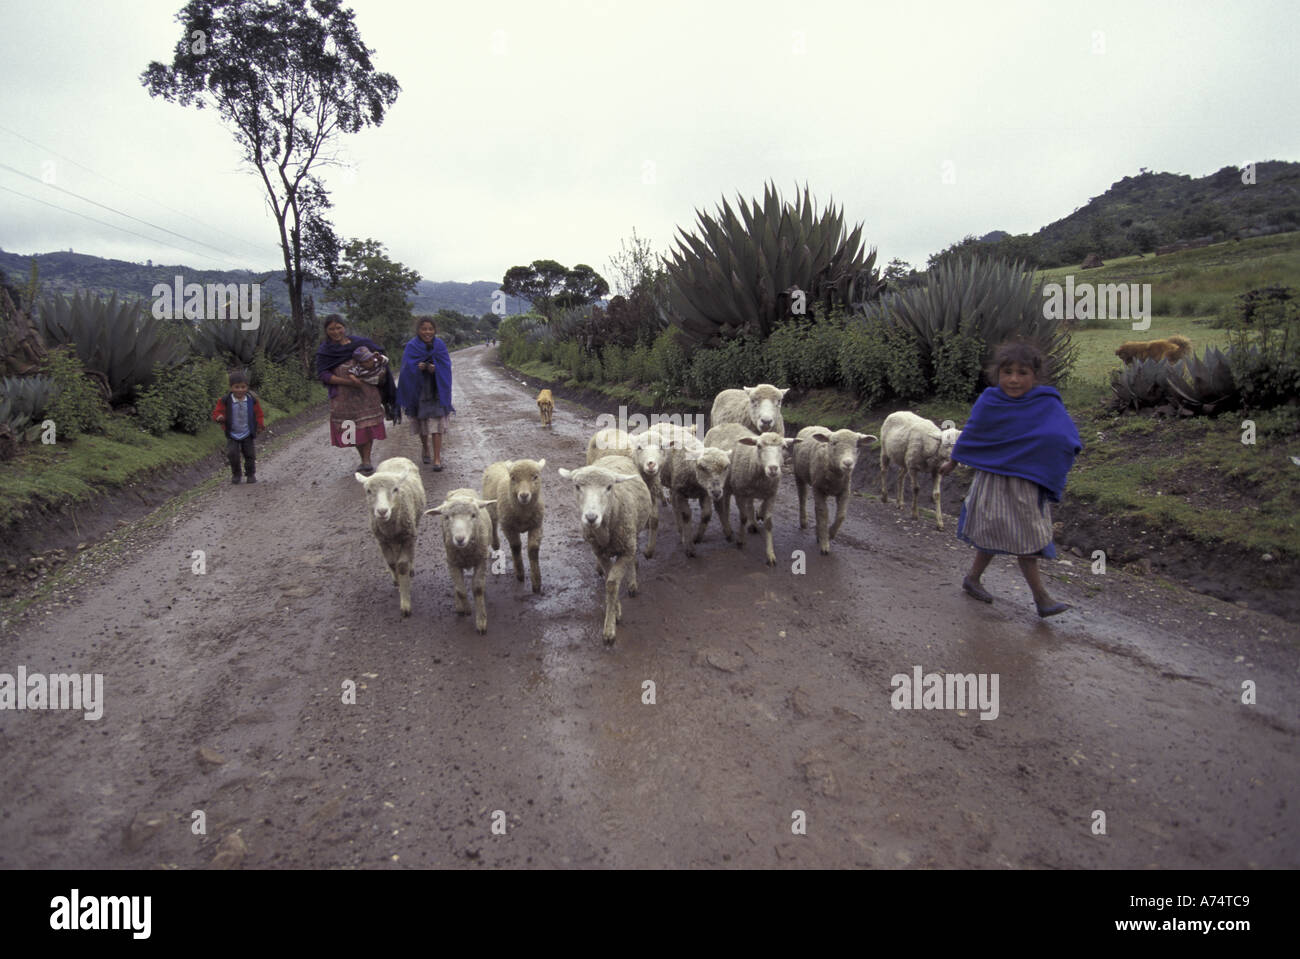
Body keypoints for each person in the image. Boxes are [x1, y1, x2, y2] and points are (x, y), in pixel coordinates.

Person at [939, 340, 1082, 617]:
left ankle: (1024, 593)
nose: (1014, 379)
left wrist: (1059, 454)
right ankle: (1038, 597)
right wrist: (953, 461)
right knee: (994, 531)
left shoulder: (1046, 403)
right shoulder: (990, 402)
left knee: (1026, 537)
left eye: (1022, 373)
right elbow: (973, 433)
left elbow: (1063, 436)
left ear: (1035, 376)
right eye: (1008, 372)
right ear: (998, 374)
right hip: (993, 481)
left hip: (1027, 484)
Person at [315, 314, 389, 475]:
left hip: (366, 393)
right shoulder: (325, 351)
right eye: (331, 329)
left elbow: (378, 358)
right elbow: (323, 374)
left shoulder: (360, 343)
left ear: (344, 327)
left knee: (367, 425)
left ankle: (366, 460)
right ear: (326, 331)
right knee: (352, 427)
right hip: (343, 395)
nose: (336, 332)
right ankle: (362, 456)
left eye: (338, 327)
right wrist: (347, 382)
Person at [397, 317, 455, 470]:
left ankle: (437, 459)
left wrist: (436, 369)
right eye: (424, 329)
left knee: (436, 424)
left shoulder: (440, 345)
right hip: (419, 391)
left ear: (435, 330)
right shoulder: (412, 346)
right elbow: (405, 369)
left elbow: (446, 367)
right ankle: (425, 448)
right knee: (423, 424)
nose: (427, 332)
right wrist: (418, 368)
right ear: (418, 330)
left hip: (437, 391)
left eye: (430, 329)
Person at [211, 370, 265, 484]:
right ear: (231, 388)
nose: (240, 390)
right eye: (237, 387)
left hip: (247, 432)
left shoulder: (251, 400)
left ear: (247, 387)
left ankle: (250, 474)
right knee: (232, 454)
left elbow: (259, 414)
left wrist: (260, 425)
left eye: (243, 387)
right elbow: (216, 413)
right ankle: (236, 474)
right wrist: (219, 417)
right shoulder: (225, 401)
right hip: (232, 433)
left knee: (250, 455)